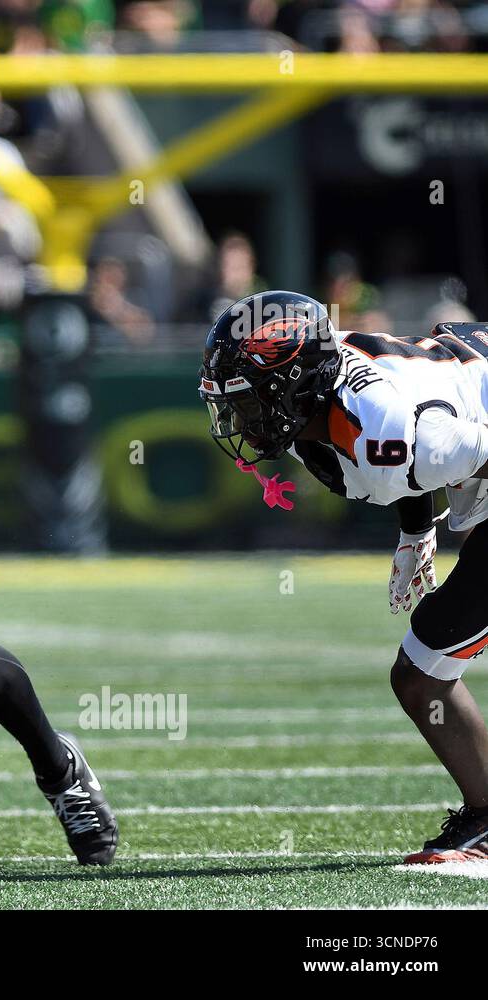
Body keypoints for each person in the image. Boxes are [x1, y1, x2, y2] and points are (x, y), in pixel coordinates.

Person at [198, 290, 488, 863]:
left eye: (250, 402)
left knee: (424, 669)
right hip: (464, 407)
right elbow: (412, 467)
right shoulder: (335, 409)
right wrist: (417, 531)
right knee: (426, 662)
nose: (239, 419)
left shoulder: (385, 431)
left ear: (294, 387)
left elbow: (415, 450)